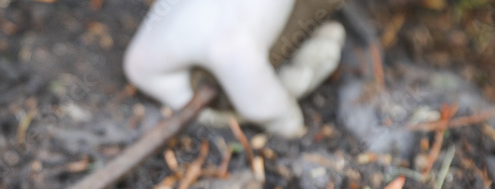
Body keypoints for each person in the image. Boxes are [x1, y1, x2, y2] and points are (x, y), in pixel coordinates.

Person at [123, 0, 346, 137]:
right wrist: (287, 122)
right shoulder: (237, 45)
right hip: (209, 65)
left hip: (170, 64)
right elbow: (232, 50)